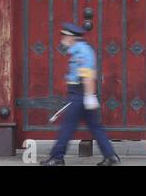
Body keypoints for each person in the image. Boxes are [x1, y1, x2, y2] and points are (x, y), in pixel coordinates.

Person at [42, 22, 120, 165]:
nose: (62, 38)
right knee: (95, 126)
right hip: (81, 94)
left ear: (72, 37)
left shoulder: (81, 52)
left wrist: (89, 96)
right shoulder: (79, 50)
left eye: (64, 35)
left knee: (67, 126)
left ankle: (57, 157)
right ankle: (110, 156)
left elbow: (88, 75)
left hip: (79, 94)